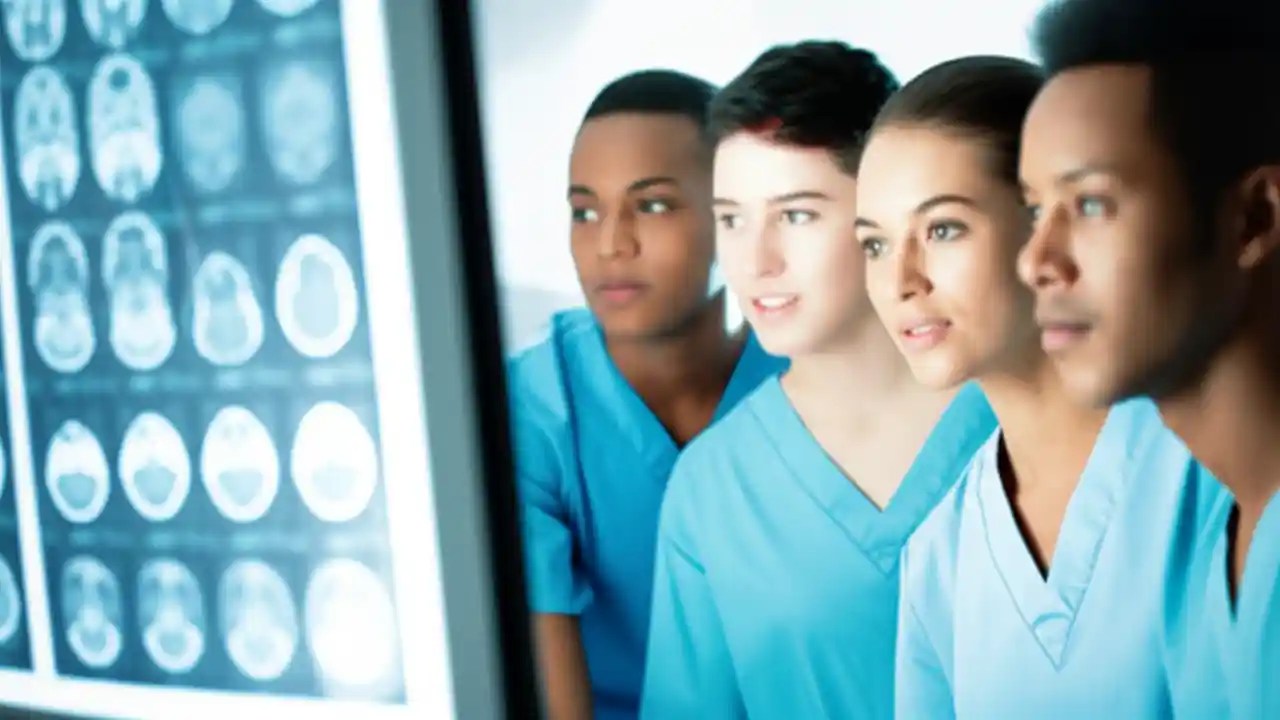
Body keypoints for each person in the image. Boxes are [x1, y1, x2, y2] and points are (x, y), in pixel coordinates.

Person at [856, 56, 1221, 719]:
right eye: (875, 245)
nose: (900, 281)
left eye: (942, 229)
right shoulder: (940, 560)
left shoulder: (1212, 475)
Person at [639, 42, 995, 719]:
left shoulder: (1020, 417)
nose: (756, 259)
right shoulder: (713, 489)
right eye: (731, 219)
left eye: (796, 215)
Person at [1017, 1, 1280, 717]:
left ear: (1253, 217)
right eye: (1036, 210)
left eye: (1093, 205)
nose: (1037, 261)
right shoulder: (1209, 554)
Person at [508, 69, 785, 720]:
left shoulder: (810, 377)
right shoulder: (531, 412)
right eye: (585, 211)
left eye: (653, 204)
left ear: (734, 215)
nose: (611, 244)